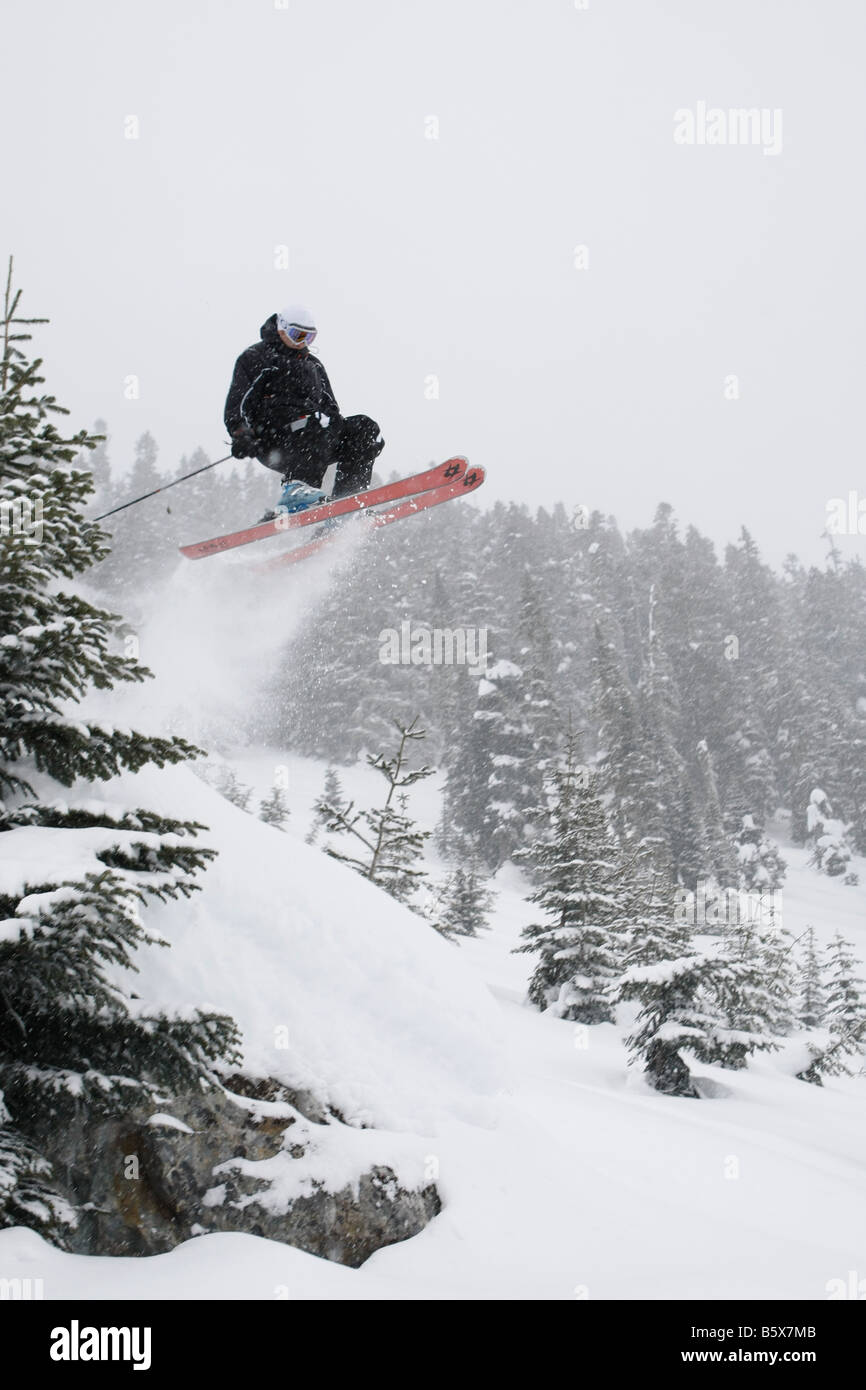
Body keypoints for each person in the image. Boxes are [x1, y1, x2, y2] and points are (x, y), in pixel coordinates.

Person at [224, 302, 384, 516]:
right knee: (313, 421)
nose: (302, 343)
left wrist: (338, 428)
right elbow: (237, 405)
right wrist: (241, 434)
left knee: (362, 427)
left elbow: (331, 411)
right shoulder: (255, 358)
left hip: (316, 439)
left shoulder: (313, 365)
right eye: (296, 335)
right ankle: (296, 488)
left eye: (308, 338)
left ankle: (348, 499)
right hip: (274, 440)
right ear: (281, 327)